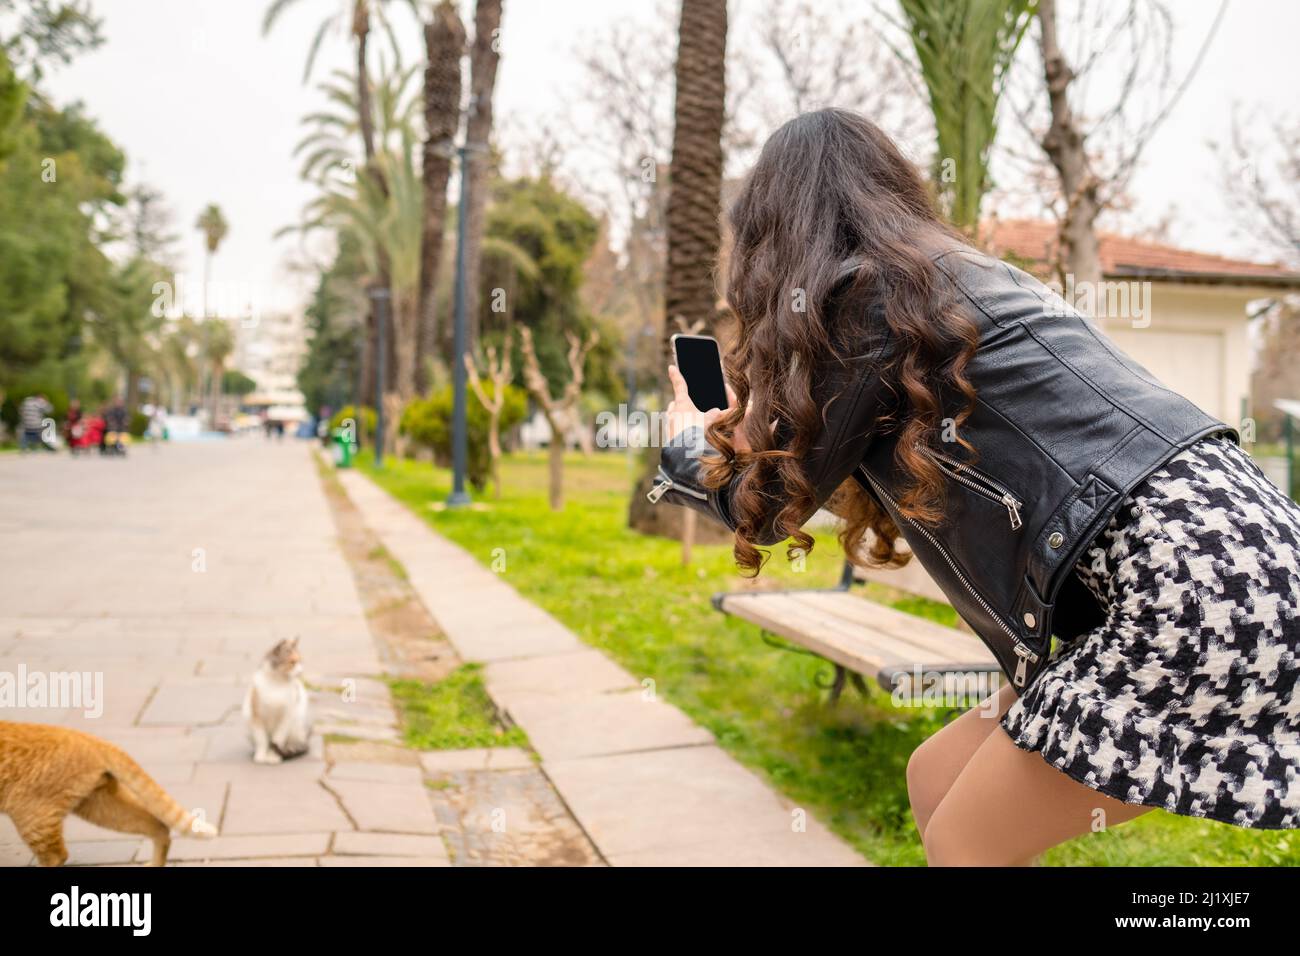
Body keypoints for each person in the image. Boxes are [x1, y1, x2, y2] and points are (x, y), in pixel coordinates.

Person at [652, 108, 1300, 865]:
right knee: (936, 779)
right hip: (1244, 543)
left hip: (1195, 587)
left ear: (777, 230)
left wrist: (683, 443)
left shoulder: (869, 297)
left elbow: (764, 514)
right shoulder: (948, 279)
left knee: (968, 841)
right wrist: (767, 428)